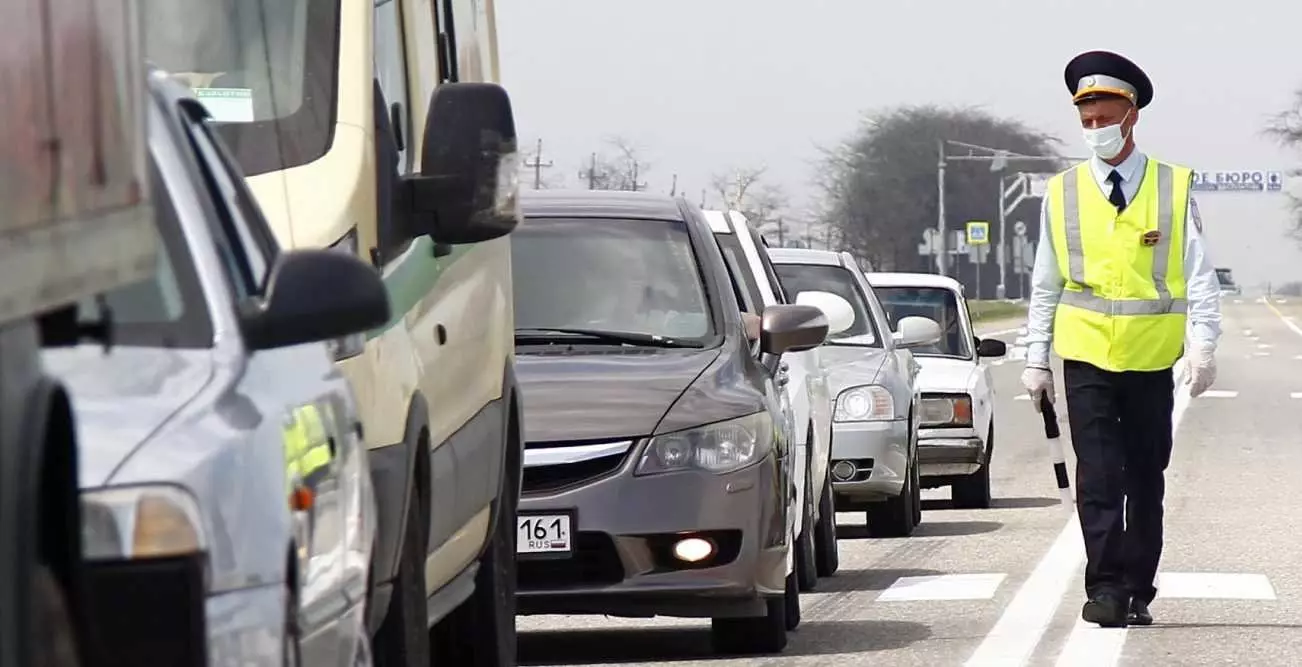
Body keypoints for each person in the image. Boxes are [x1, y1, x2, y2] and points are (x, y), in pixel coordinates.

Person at [1021, 50, 1222, 628]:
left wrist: (1203, 343)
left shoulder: (1174, 187)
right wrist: (1036, 360)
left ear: (1130, 115)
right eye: (1086, 123)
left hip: (1152, 358)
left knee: (1144, 476)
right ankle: (1105, 587)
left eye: (1104, 120)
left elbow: (1199, 274)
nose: (1095, 132)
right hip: (1084, 355)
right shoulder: (1060, 193)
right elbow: (1045, 282)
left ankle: (1139, 587)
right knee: (1100, 476)